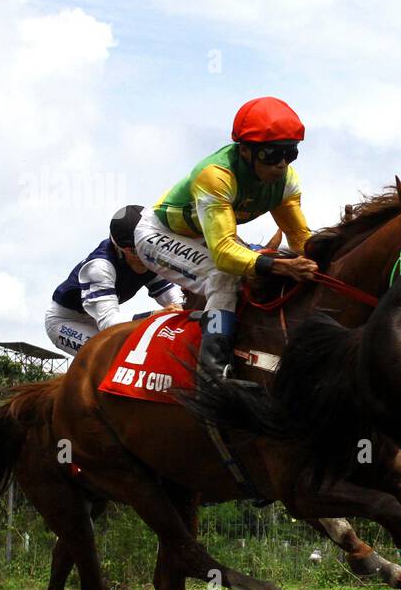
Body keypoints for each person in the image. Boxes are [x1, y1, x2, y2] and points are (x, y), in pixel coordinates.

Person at [133, 96, 318, 382]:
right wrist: (282, 266)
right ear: (246, 151)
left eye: (290, 153)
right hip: (159, 235)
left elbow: (299, 237)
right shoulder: (215, 175)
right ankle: (211, 375)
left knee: (264, 272)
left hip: (204, 235)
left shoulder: (286, 181)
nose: (281, 165)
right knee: (225, 275)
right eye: (272, 154)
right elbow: (223, 253)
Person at [46, 204, 185, 356]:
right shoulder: (99, 267)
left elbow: (176, 301)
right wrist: (156, 315)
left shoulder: (146, 256)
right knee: (115, 356)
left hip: (95, 317)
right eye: (144, 247)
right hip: (65, 321)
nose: (153, 252)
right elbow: (109, 323)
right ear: (127, 250)